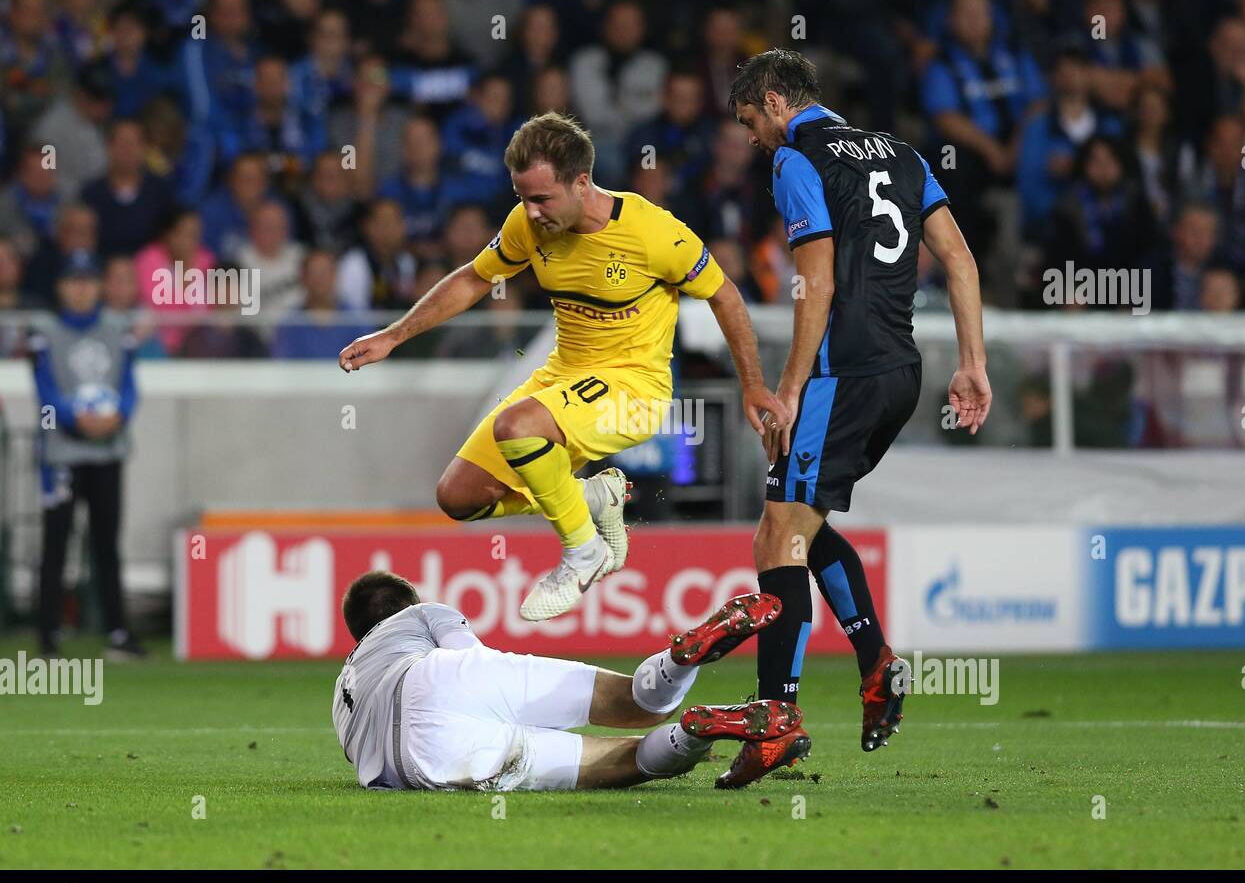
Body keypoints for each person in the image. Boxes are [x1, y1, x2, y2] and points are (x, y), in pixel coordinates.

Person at [338, 113, 786, 621]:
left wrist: (753, 386)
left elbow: (726, 298)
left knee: (517, 426)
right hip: (564, 376)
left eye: (541, 199)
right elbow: (473, 279)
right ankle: (592, 496)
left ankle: (583, 552)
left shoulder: (654, 233)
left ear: (580, 183)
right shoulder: (528, 224)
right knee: (459, 496)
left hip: (636, 392)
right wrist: (394, 335)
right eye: (521, 198)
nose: (530, 212)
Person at [727, 49, 992, 788]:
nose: (753, 137)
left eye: (751, 120)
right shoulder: (903, 154)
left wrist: (787, 385)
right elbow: (961, 259)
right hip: (902, 372)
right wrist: (972, 361)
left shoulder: (796, 157)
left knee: (779, 535)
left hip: (842, 373)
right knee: (793, 525)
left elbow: (817, 276)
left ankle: (776, 720)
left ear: (776, 102)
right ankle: (874, 662)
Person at [332, 573, 802, 791]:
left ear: (357, 632)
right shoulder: (421, 613)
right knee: (638, 701)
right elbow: (466, 657)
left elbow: (359, 754)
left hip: (422, 763)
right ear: (409, 599)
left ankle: (692, 734)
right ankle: (678, 663)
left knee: (626, 763)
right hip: (439, 676)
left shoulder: (342, 688)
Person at [29, 251, 144, 659]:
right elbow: (44, 389)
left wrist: (119, 416)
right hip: (60, 454)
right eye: (72, 281)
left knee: (107, 543)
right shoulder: (45, 333)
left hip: (107, 452)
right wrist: (76, 419)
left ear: (98, 286)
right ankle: (48, 634)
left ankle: (117, 632)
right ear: (61, 287)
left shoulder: (118, 331)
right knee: (56, 543)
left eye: (87, 281)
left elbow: (130, 386)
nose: (80, 290)